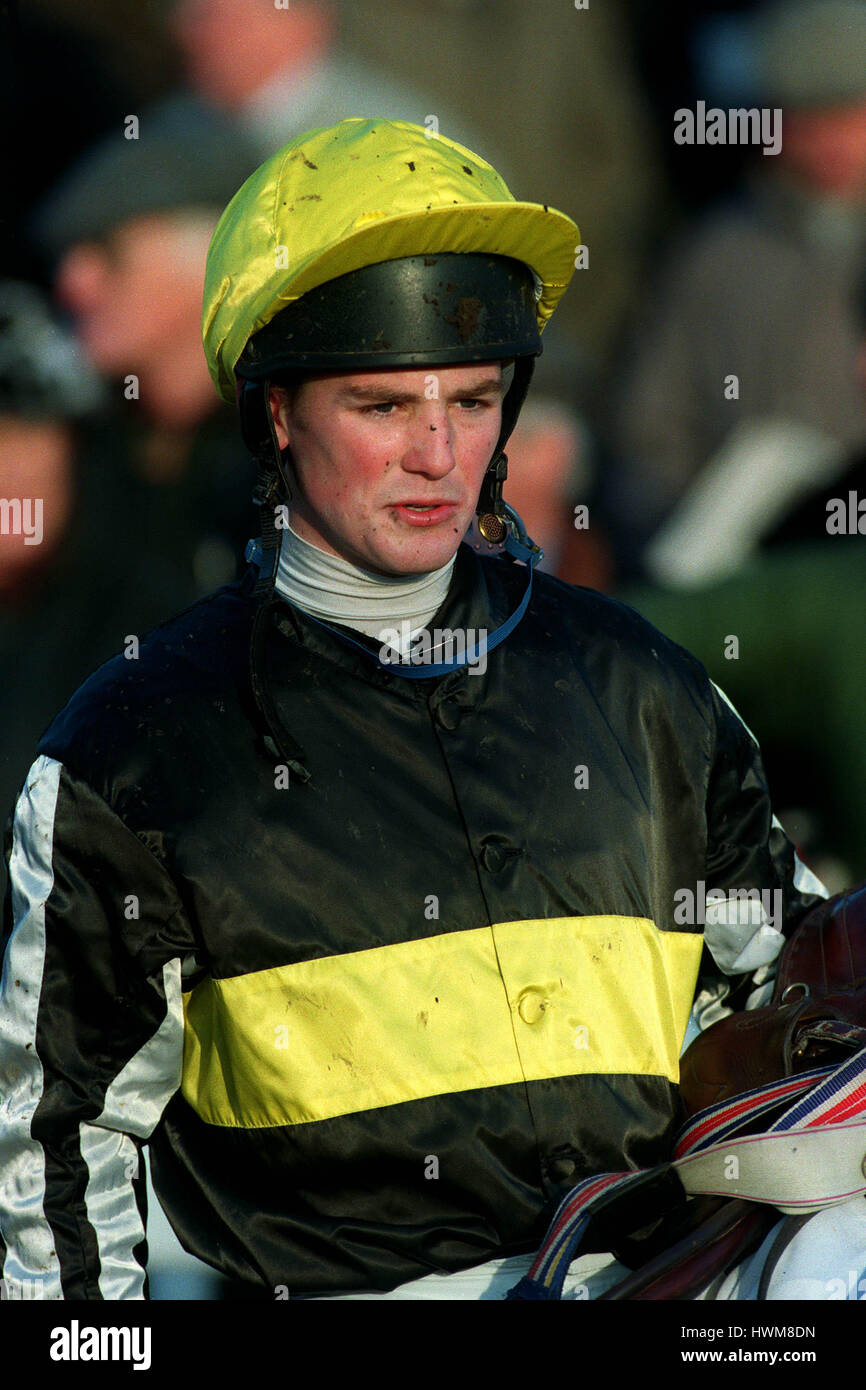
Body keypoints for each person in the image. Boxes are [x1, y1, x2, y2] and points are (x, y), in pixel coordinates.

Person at [0, 118, 847, 1302]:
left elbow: (805, 1008)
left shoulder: (644, 686)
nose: (440, 454)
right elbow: (54, 1154)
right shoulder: (131, 752)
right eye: (383, 405)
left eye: (475, 397)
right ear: (276, 415)